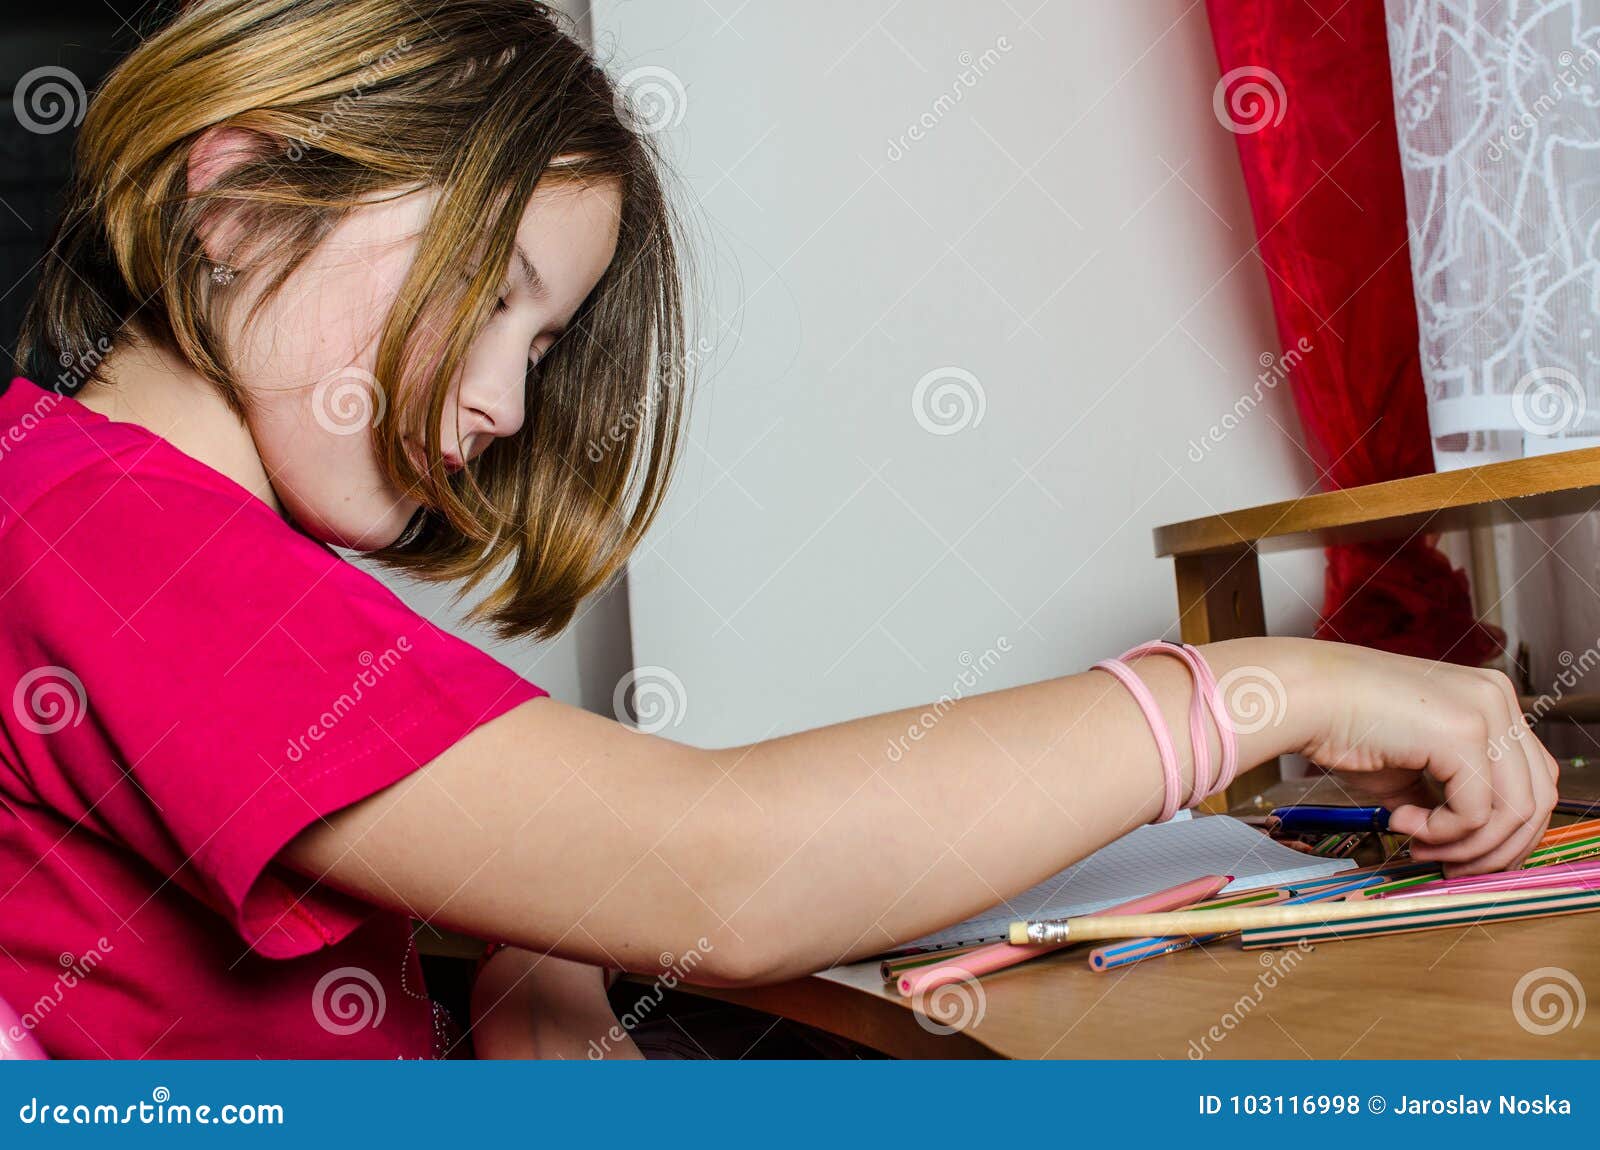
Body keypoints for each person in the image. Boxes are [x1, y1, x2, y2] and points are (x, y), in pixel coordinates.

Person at [0, 0, 1557, 1060]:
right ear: (242, 198)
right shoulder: (124, 536)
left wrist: (534, 927)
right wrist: (1270, 689)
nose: (501, 405)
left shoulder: (100, 504)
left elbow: (544, 829)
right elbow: (720, 869)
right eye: (494, 303)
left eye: (541, 352)